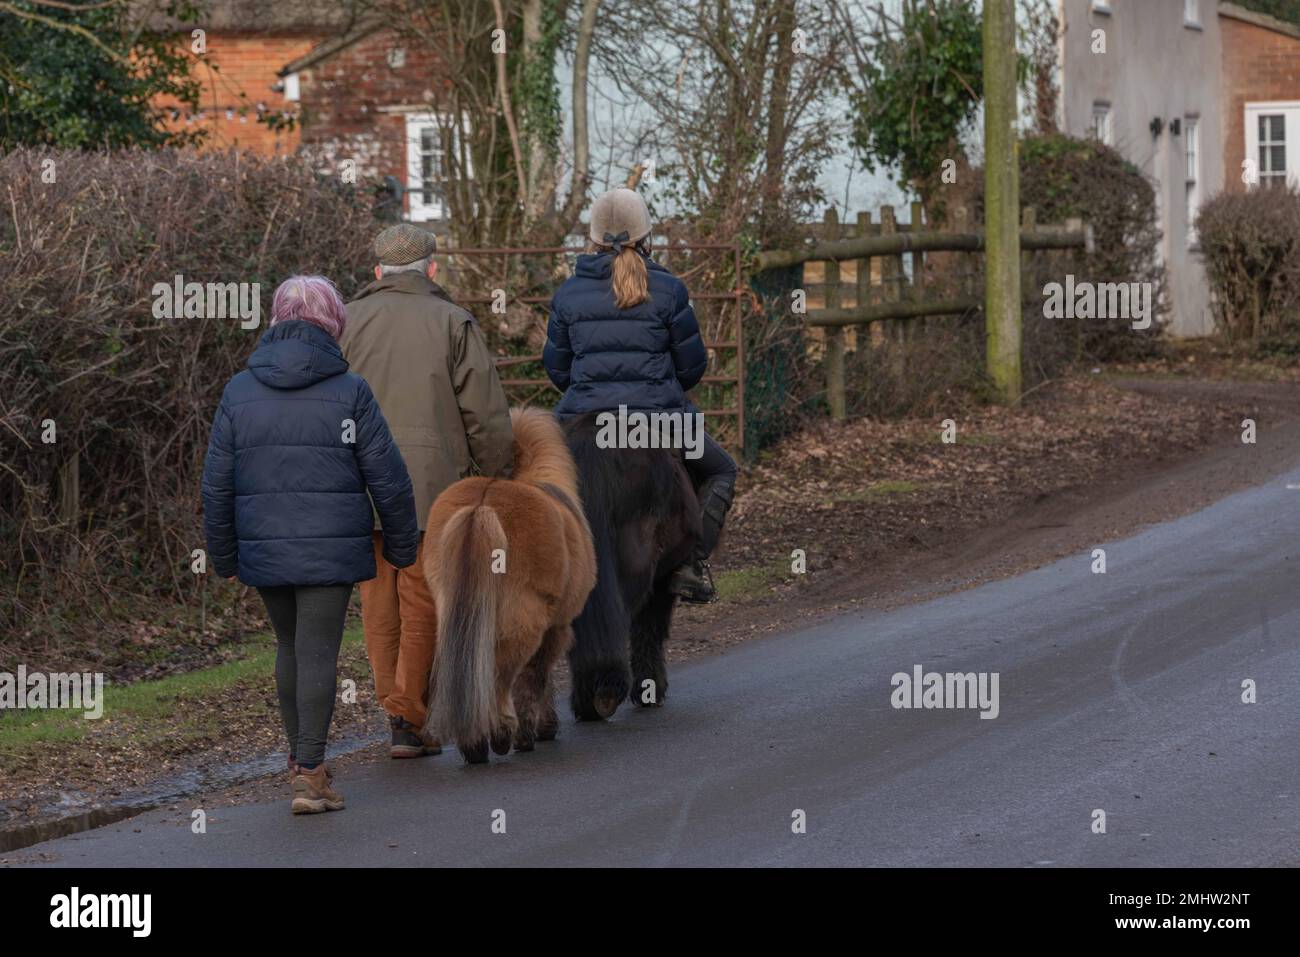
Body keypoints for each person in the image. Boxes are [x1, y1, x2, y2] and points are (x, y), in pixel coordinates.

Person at [201, 275, 418, 814]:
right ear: (333, 322)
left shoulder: (239, 391)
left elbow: (216, 483)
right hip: (330, 548)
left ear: (276, 318)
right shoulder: (350, 391)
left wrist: (224, 554)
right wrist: (402, 545)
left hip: (266, 545)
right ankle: (311, 772)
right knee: (318, 650)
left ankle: (300, 764)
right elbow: (388, 477)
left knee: (289, 646)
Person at [341, 224, 515, 757]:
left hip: (359, 482)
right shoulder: (452, 321)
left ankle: (397, 706)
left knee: (376, 598)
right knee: (421, 597)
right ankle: (408, 717)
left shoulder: (344, 321)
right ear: (432, 270)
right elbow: (484, 414)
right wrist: (494, 476)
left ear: (377, 273)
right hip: (430, 486)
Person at [543, 188, 737, 603]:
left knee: (537, 478)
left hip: (583, 421)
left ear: (592, 237)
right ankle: (690, 564)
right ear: (646, 235)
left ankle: (548, 568)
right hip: (656, 424)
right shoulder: (669, 290)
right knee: (722, 471)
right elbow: (691, 368)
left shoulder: (567, 294)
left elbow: (558, 370)